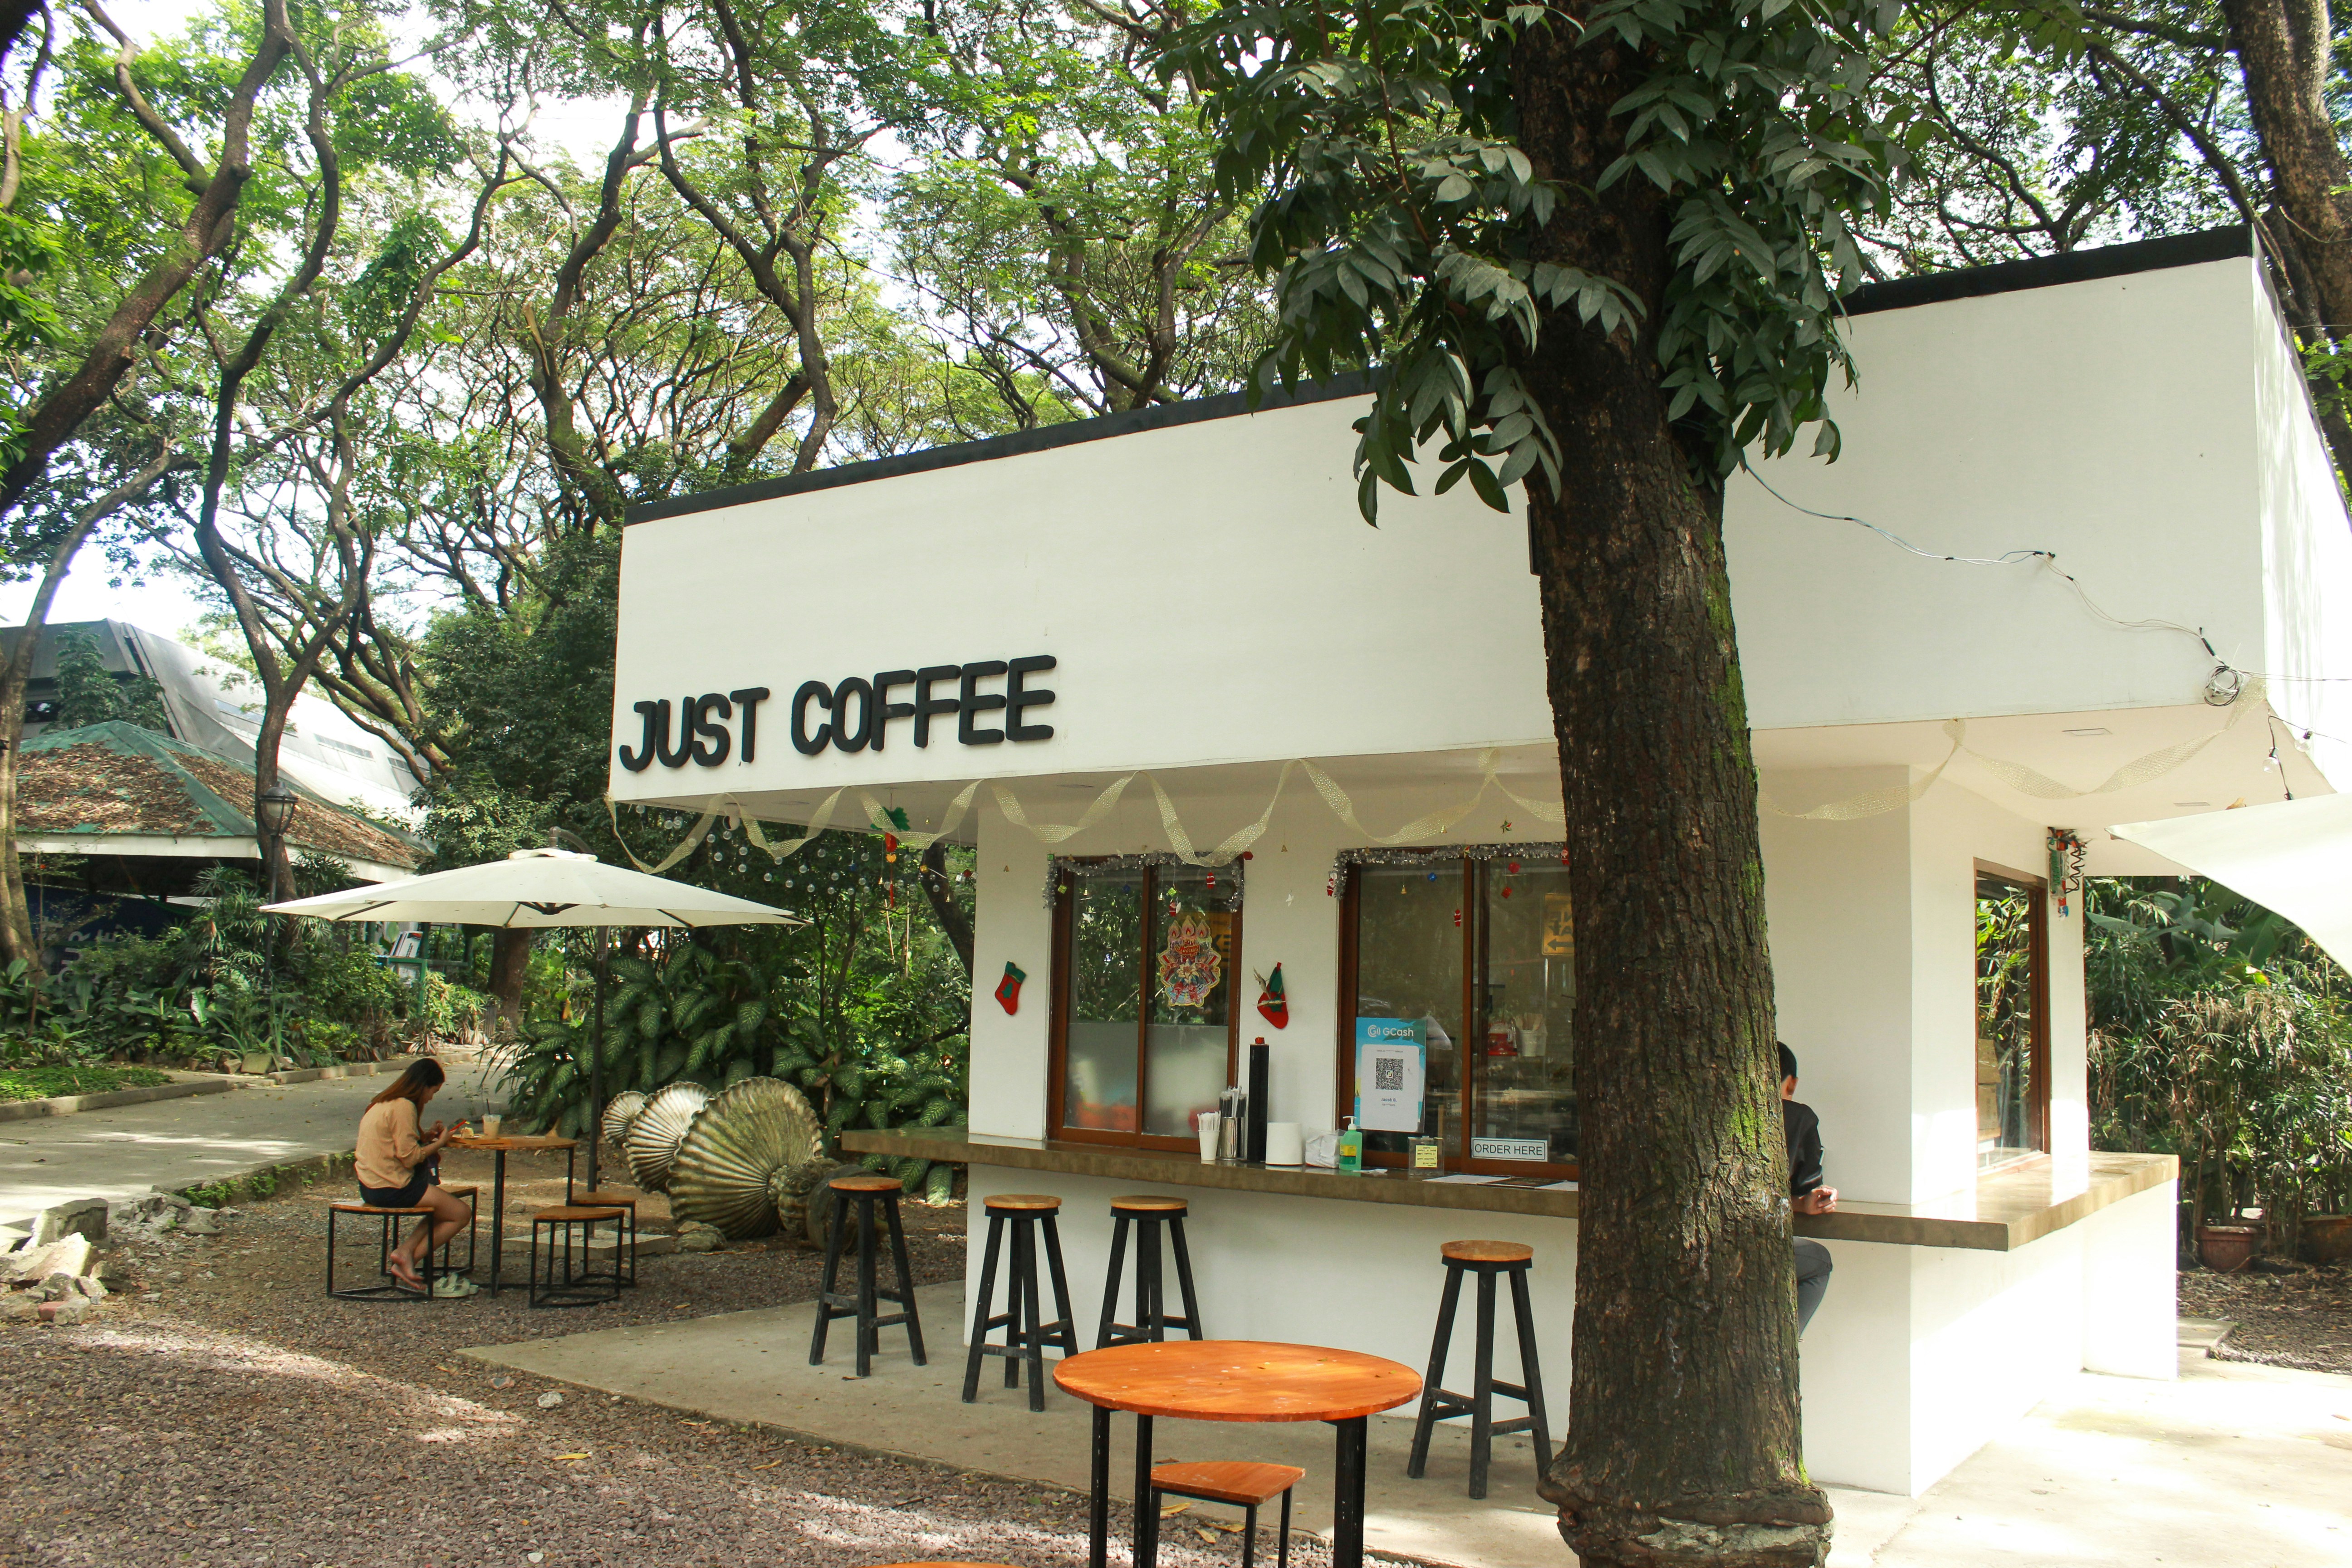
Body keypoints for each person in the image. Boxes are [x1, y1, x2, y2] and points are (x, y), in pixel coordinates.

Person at [355, 1058, 475, 1296]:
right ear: (424, 1086)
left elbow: (399, 1144)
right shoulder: (404, 1106)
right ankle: (408, 1258)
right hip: (391, 1186)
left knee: (444, 1210)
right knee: (461, 1214)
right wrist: (440, 1143)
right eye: (433, 1091)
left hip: (371, 1184)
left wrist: (426, 1136)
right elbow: (409, 1158)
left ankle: (405, 1252)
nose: (431, 1098)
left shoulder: (384, 1102)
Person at [1779, 1042, 1837, 1335]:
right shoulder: (1799, 1118)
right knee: (1819, 1262)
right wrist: (1806, 1202)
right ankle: (1786, 1345)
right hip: (1749, 1243)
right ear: (1791, 1083)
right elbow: (1809, 1186)